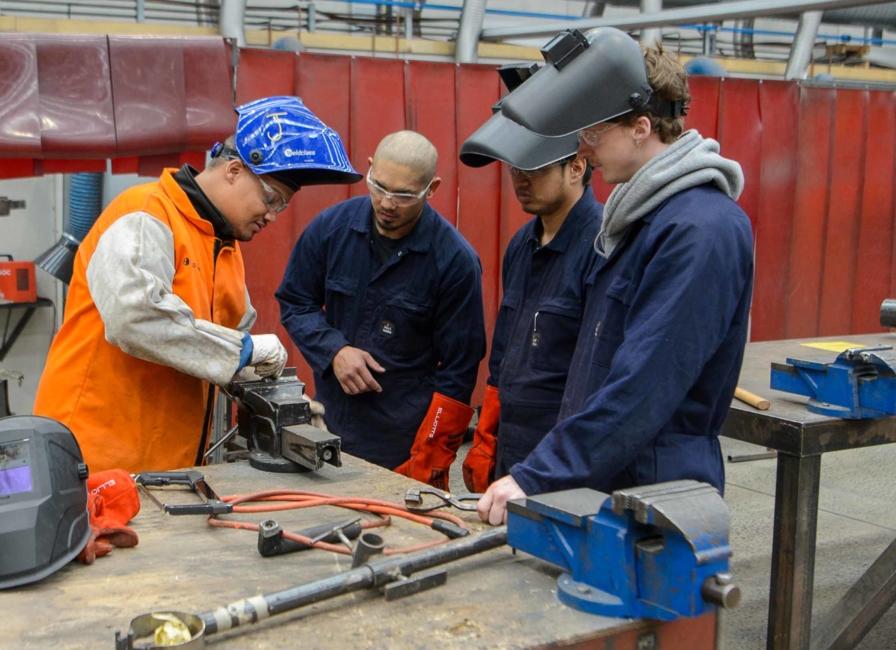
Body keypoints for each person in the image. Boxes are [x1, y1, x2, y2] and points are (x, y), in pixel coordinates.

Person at [478, 29, 753, 524]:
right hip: (603, 480)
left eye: (593, 133)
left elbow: (645, 386)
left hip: (654, 496)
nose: (583, 148)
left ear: (641, 127)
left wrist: (539, 475)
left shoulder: (700, 228)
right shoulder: (634, 222)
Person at [34, 96, 361, 474]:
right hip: (92, 458)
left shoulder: (225, 249)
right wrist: (247, 350)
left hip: (168, 463)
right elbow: (135, 318)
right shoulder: (145, 214)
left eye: (281, 207)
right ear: (234, 170)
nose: (272, 215)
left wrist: (283, 399)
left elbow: (213, 350)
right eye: (270, 199)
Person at [276, 131, 486, 489]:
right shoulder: (331, 230)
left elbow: (459, 369)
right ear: (370, 169)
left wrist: (430, 455)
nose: (387, 203)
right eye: (379, 186)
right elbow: (296, 300)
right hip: (328, 426)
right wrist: (334, 350)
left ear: (431, 189)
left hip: (401, 443)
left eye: (404, 195)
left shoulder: (454, 261)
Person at [458, 69, 603, 493]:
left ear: (576, 167)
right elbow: (505, 350)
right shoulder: (522, 244)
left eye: (533, 169)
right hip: (513, 443)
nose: (519, 179)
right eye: (514, 168)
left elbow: (597, 372)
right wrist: (488, 433)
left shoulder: (602, 248)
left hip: (562, 453)